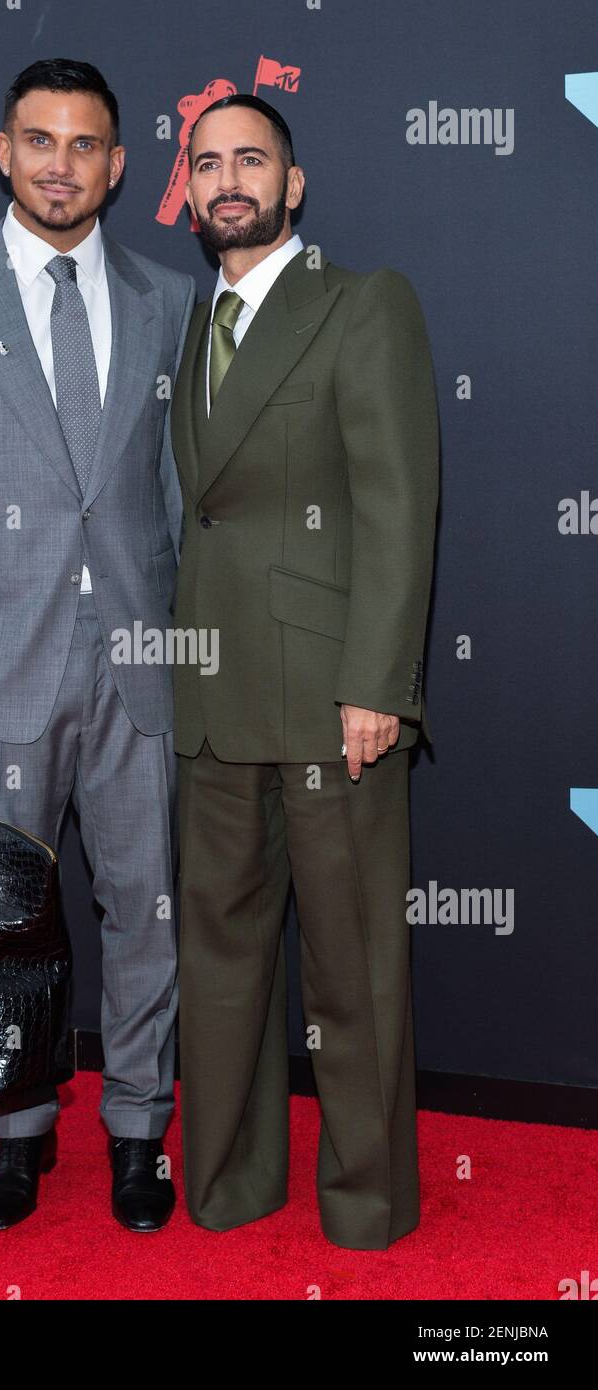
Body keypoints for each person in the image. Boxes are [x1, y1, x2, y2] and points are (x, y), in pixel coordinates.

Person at [0, 58, 196, 1233]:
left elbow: (170, 498)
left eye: (85, 145)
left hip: (140, 667)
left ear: (117, 165)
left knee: (144, 907)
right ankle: (19, 1136)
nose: (61, 163)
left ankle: (137, 1133)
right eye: (38, 140)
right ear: (2, 151)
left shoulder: (167, 301)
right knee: (4, 918)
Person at [169, 93, 439, 1248]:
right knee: (220, 965)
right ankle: (228, 1180)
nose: (229, 180)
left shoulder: (358, 304)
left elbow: (395, 503)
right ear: (185, 188)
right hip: (212, 701)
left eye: (252, 160)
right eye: (208, 163)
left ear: (294, 182)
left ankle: (366, 1202)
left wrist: (378, 682)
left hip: (336, 703)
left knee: (351, 971)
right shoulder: (192, 322)